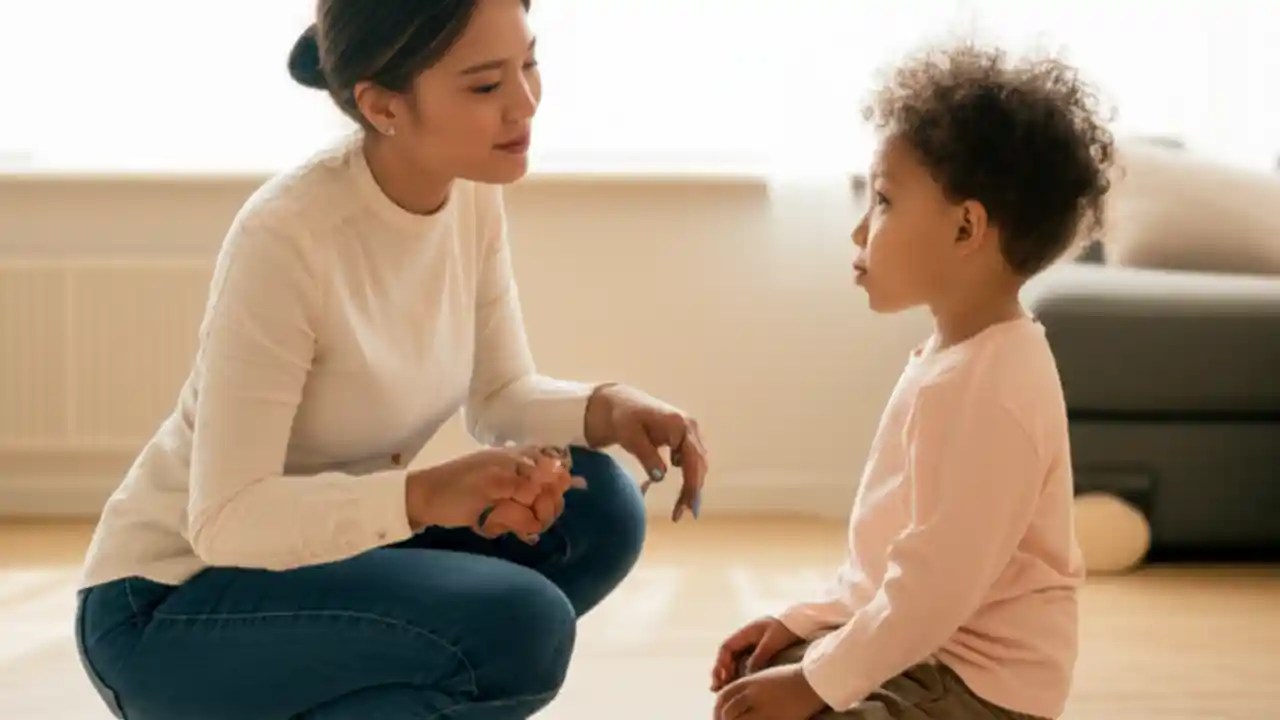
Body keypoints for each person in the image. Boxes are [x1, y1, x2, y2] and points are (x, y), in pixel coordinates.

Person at [73, 1, 708, 718]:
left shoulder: (469, 191)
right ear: (382, 106)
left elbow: (499, 395)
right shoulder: (287, 237)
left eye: (529, 64)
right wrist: (424, 495)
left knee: (597, 508)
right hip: (171, 603)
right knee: (522, 622)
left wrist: (608, 407)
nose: (525, 103)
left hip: (317, 559)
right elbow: (227, 520)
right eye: (485, 85)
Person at [710, 42, 1114, 720]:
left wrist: (812, 682)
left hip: (981, 693)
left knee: (789, 700)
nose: (859, 231)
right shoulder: (952, 358)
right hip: (927, 655)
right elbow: (889, 561)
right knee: (767, 673)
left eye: (884, 201)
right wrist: (805, 624)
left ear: (966, 227)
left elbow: (933, 592)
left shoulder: (993, 389)